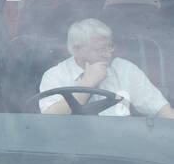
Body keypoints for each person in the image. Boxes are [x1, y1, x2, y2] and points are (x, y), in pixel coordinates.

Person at [39, 18, 174, 117]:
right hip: (72, 149)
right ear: (76, 49)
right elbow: (49, 120)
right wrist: (87, 84)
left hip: (122, 146)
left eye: (110, 46)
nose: (109, 55)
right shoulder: (55, 76)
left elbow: (161, 109)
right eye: (101, 49)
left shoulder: (125, 70)